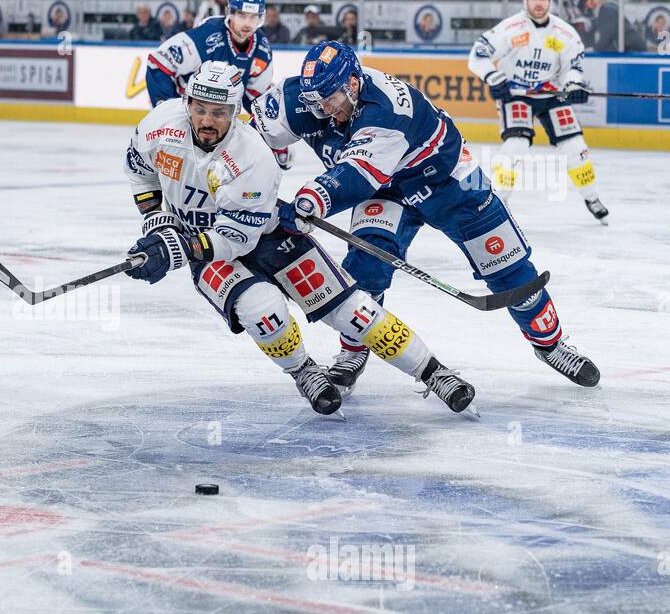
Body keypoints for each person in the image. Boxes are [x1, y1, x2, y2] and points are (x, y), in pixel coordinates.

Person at [122, 62, 477, 415]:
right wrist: (158, 222)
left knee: (354, 310)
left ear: (234, 111)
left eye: (218, 112)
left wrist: (180, 249)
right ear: (187, 102)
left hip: (260, 234)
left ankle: (433, 372)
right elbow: (141, 174)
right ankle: (304, 371)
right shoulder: (157, 127)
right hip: (208, 250)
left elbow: (237, 239)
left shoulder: (253, 157)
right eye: (199, 109)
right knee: (263, 311)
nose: (206, 121)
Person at [252, 41, 601, 390]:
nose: (325, 109)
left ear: (354, 83)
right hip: (386, 189)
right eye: (315, 101)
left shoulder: (387, 111)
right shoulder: (298, 98)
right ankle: (353, 349)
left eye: (332, 99)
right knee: (365, 268)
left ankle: (550, 344)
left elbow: (356, 176)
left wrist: (312, 200)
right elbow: (246, 139)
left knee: (510, 269)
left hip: (450, 178)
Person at [467, 0, 608, 223]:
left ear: (551, 0)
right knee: (515, 147)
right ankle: (498, 202)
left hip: (551, 95)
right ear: (526, 0)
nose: (538, 3)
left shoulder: (565, 33)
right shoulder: (510, 28)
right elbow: (477, 55)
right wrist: (493, 77)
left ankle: (592, 196)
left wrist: (574, 85)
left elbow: (572, 68)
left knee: (575, 148)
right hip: (517, 94)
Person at [146, 0, 274, 107]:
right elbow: (159, 62)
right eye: (242, 15)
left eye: (253, 17)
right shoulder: (207, 35)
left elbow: (257, 97)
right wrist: (167, 111)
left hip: (223, 118)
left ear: (260, 18)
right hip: (186, 110)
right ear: (231, 13)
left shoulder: (262, 47)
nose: (247, 23)